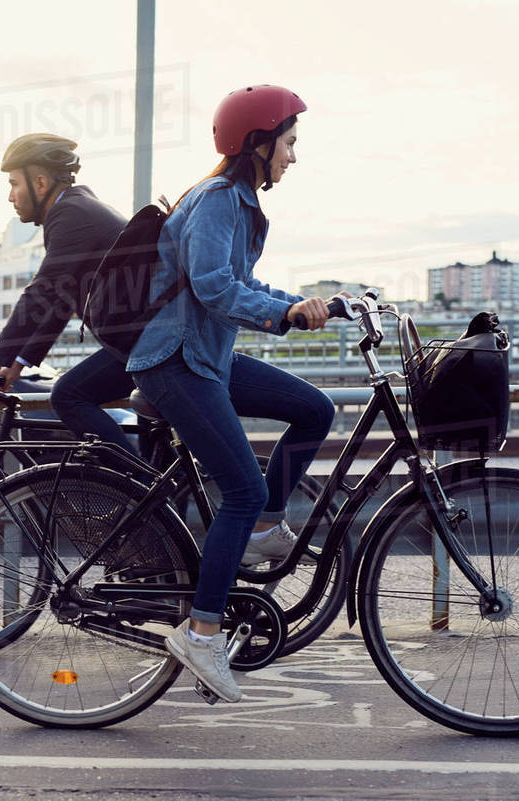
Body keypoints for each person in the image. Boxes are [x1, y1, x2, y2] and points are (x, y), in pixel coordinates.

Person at [126, 85, 338, 703]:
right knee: (241, 488)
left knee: (313, 408)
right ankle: (202, 633)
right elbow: (215, 287)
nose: (293, 157)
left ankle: (266, 523)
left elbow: (240, 282)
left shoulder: (239, 203)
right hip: (175, 362)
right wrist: (286, 315)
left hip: (207, 356)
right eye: (290, 143)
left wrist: (303, 303)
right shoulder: (219, 200)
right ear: (258, 142)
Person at [0, 133, 136, 453]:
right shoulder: (76, 208)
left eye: (14, 184)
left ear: (40, 182)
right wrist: (18, 362)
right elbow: (60, 298)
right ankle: (144, 486)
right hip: (140, 343)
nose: (10, 196)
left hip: (145, 347)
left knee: (68, 396)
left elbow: (41, 293)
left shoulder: (72, 215)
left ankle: (138, 484)